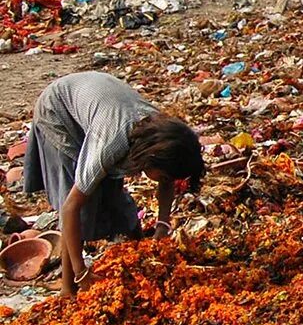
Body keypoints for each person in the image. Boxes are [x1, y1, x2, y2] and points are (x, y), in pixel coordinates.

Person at [23, 72, 206, 295]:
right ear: (150, 160)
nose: (166, 181)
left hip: (98, 103)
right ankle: (67, 287)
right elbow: (70, 208)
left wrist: (163, 225)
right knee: (84, 203)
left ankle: (139, 251)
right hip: (59, 112)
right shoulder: (113, 143)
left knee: (111, 193)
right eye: (165, 176)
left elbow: (166, 183)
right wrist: (82, 272)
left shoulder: (162, 135)